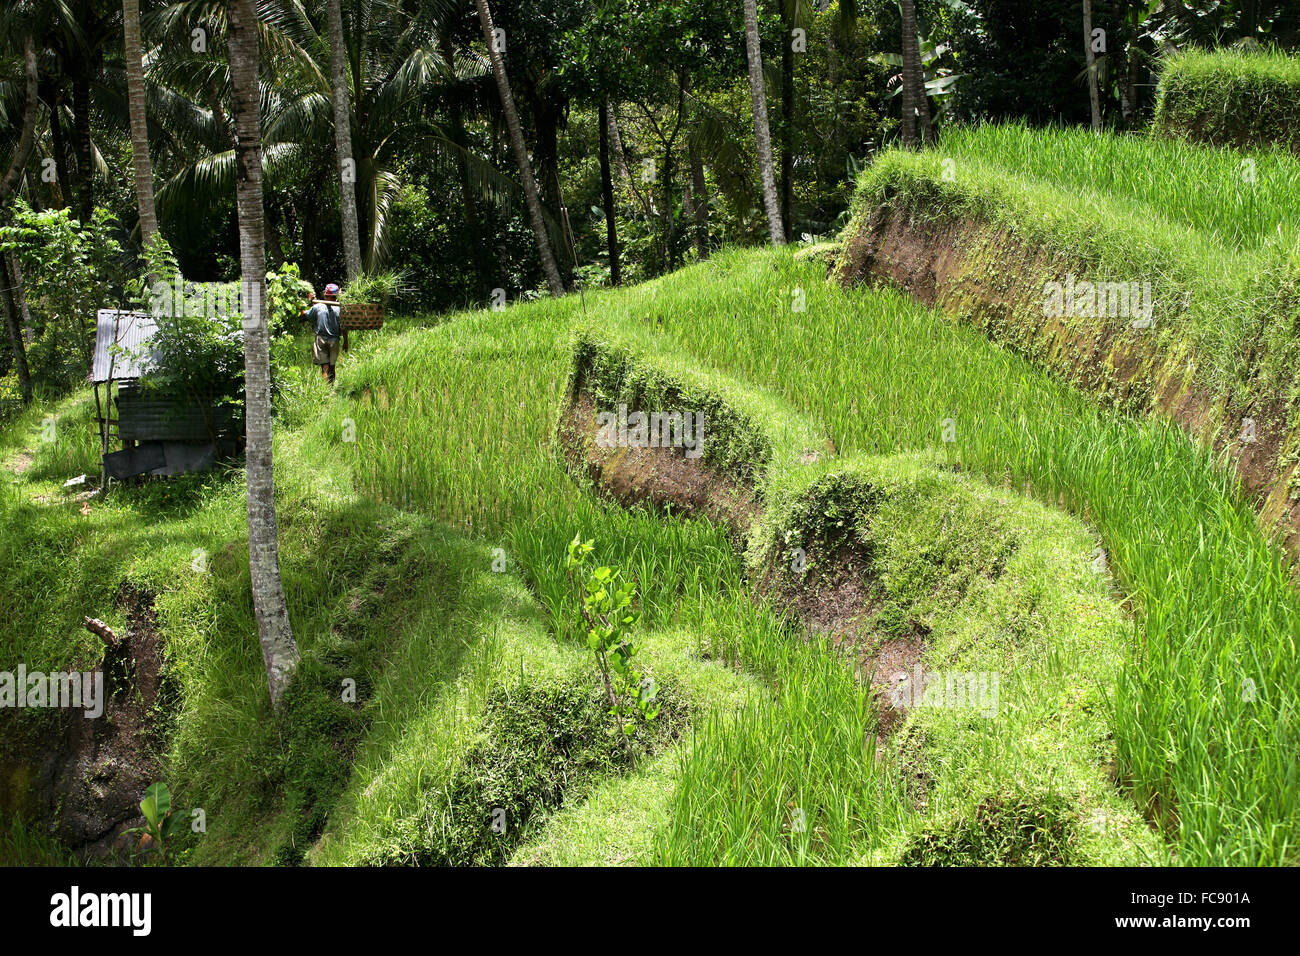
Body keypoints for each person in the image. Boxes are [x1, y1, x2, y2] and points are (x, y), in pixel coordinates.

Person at [304, 283, 348, 383]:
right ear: (337, 295)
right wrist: (346, 342)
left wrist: (308, 304)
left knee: (324, 367)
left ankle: (325, 389)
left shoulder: (318, 306)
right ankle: (331, 387)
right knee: (332, 367)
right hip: (334, 341)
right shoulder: (341, 309)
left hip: (321, 339)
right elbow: (344, 327)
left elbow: (308, 315)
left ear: (325, 294)